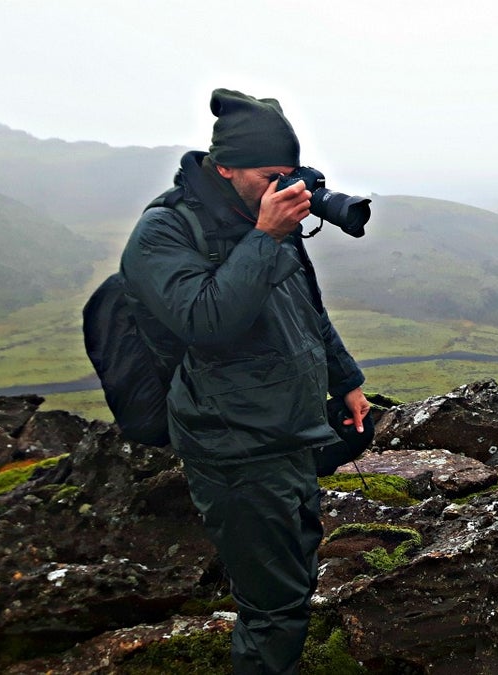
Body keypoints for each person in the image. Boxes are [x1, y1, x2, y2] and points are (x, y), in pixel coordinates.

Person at [120, 88, 369, 674]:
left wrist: (346, 379)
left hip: (287, 430)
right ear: (224, 166)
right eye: (270, 175)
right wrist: (265, 236)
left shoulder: (262, 217)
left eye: (291, 175)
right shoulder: (165, 231)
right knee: (273, 607)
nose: (286, 189)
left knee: (296, 564)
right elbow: (207, 322)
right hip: (232, 442)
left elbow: (306, 309)